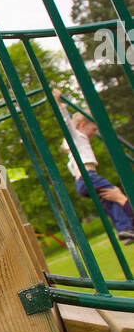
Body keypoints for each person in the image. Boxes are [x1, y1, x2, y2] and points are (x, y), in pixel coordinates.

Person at [53, 89, 134, 242]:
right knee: (115, 191)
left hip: (84, 181)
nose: (94, 133)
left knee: (110, 200)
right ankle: (126, 227)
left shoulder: (77, 145)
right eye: (94, 129)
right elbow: (66, 123)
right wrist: (59, 104)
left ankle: (125, 230)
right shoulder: (77, 137)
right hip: (88, 177)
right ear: (83, 125)